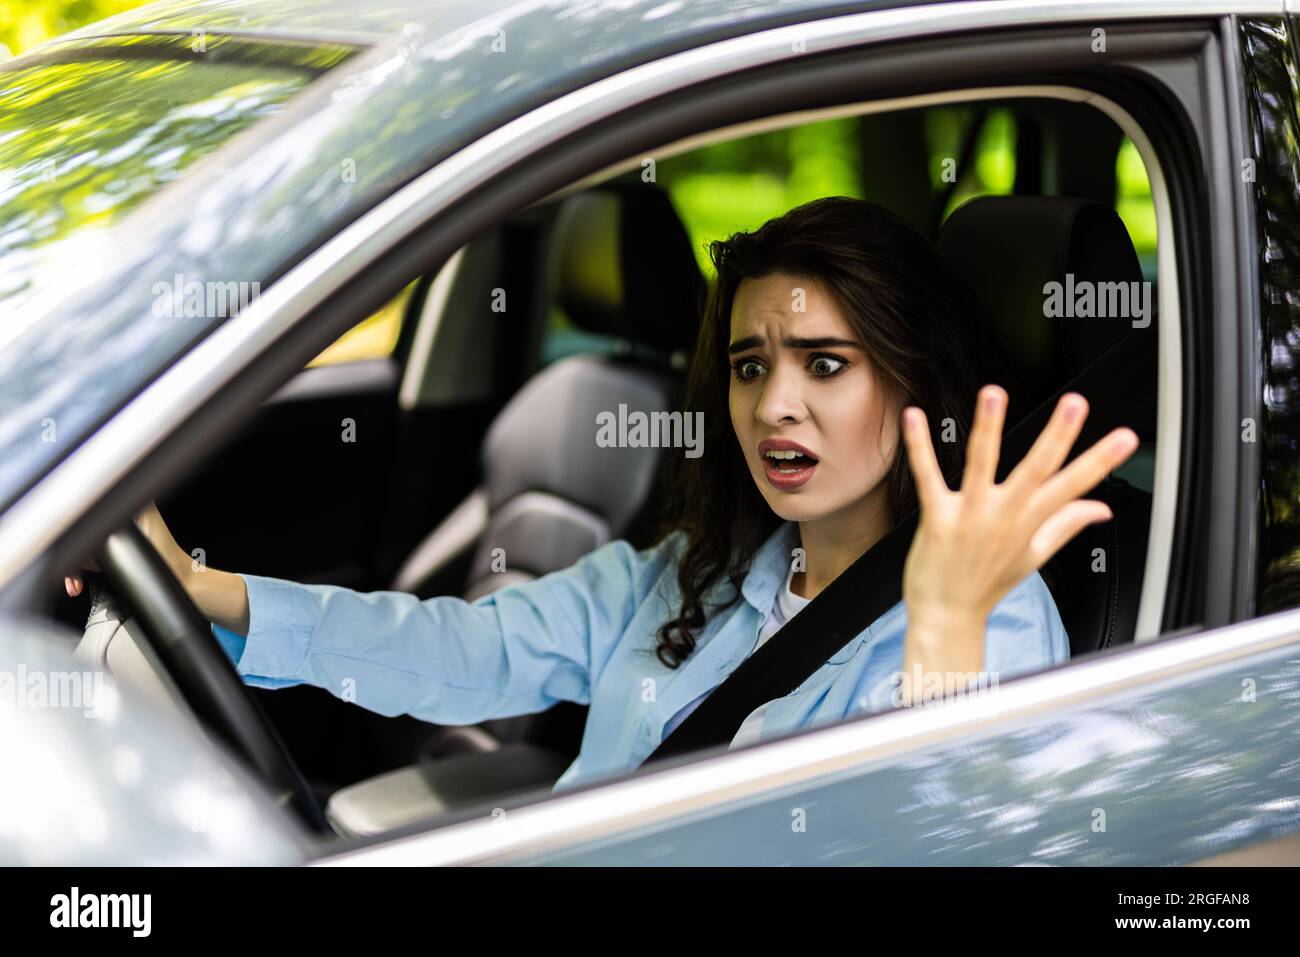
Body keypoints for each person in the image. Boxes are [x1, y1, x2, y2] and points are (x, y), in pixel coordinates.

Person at [67, 196, 1138, 792]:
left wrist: (943, 635)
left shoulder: (987, 618)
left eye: (824, 364)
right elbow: (463, 652)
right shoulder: (700, 568)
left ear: (909, 380)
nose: (774, 407)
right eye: (750, 364)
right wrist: (205, 592)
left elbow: (936, 843)